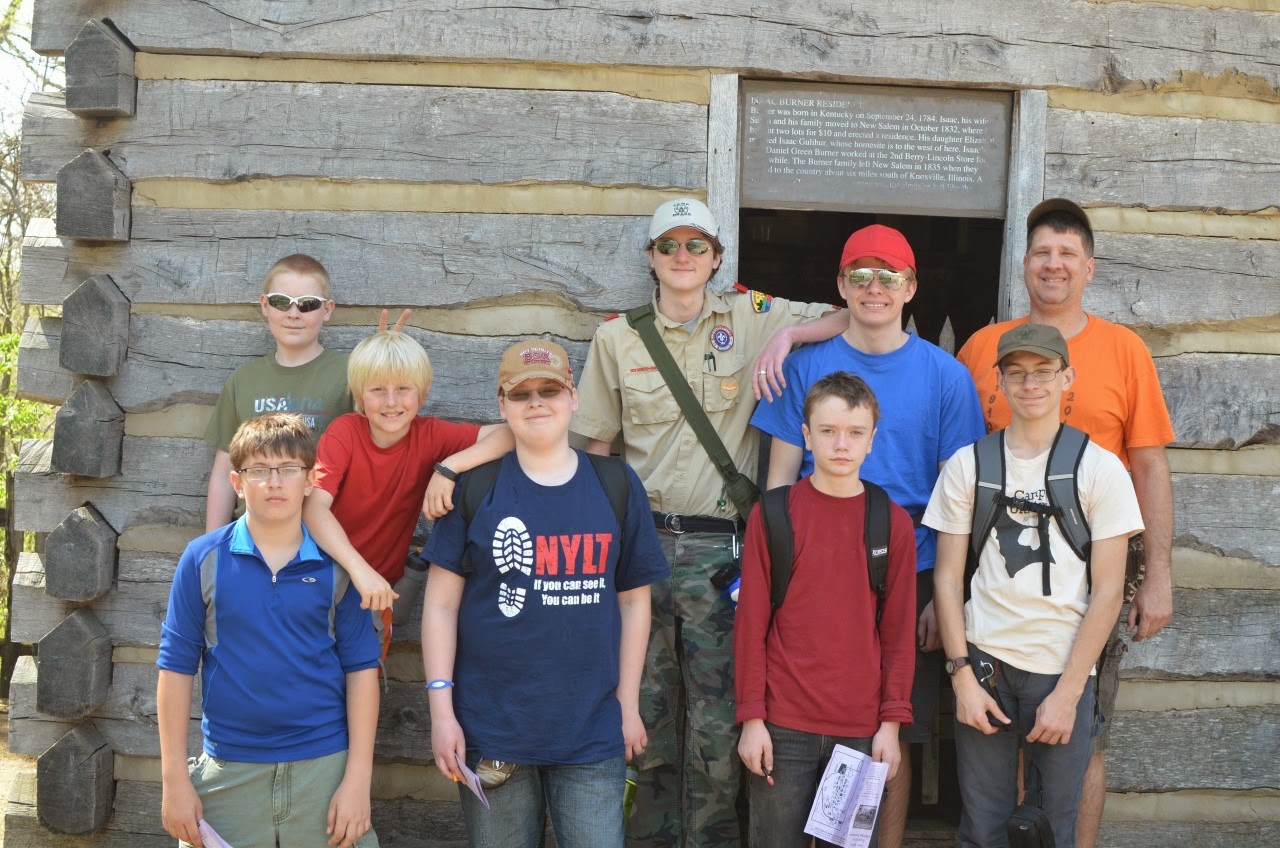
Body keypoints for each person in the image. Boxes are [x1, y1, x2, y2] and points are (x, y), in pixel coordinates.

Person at [572, 197, 851, 847]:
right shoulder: (618, 338)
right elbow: (596, 454)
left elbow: (846, 316)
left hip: (720, 548)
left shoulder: (751, 317)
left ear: (718, 258)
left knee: (717, 725)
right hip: (640, 551)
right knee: (648, 716)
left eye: (696, 246)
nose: (682, 257)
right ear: (651, 258)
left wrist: (789, 335)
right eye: (669, 246)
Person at [750, 223, 985, 846]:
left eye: (889, 276)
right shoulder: (804, 366)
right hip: (806, 572)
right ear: (840, 286)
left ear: (911, 286)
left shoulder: (946, 377)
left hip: (905, 573)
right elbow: (777, 482)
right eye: (860, 275)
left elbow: (959, 496)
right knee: (796, 722)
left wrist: (946, 593)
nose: (874, 288)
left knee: (894, 731)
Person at [955, 199, 1175, 848]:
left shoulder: (1124, 350)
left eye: (1067, 255)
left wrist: (1157, 574)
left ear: (1089, 267)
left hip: (1096, 580)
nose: (1054, 265)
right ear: (1023, 265)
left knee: (1083, 735)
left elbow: (1150, 468)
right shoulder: (982, 349)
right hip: (1001, 580)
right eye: (1042, 253)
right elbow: (960, 472)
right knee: (1000, 742)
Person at [421, 339, 669, 848]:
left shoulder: (615, 483)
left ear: (573, 398)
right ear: (502, 406)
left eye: (549, 390)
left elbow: (633, 601)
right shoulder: (477, 486)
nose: (536, 402)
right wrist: (441, 712)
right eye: (521, 393)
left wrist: (626, 702)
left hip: (592, 729)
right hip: (493, 732)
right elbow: (441, 606)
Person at [926, 323, 1143, 848]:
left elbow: (1108, 591)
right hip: (986, 665)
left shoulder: (1100, 469)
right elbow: (948, 576)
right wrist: (961, 679)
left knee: (1050, 830)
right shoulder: (969, 465)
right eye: (1017, 373)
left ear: (1067, 377)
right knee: (983, 827)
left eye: (1043, 372)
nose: (1031, 385)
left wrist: (1069, 693)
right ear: (998, 380)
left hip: (1060, 668)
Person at [158, 412, 381, 848]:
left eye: (288, 470)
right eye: (259, 471)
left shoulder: (337, 567)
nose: (274, 482)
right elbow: (174, 670)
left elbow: (362, 672)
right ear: (238, 483)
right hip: (229, 769)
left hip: (326, 766)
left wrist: (358, 780)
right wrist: (174, 782)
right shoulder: (203, 559)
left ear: (311, 479)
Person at [734, 373, 917, 847]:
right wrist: (752, 720)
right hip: (782, 727)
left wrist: (890, 726)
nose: (841, 444)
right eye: (829, 431)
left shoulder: (890, 523)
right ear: (806, 435)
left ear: (872, 439)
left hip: (858, 732)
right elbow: (751, 625)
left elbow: (897, 636)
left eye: (855, 433)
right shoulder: (773, 514)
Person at [303, 331, 515, 659]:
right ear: (359, 394)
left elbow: (511, 433)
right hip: (316, 584)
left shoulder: (430, 436)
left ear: (423, 391)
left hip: (375, 597)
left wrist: (448, 468)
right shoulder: (345, 432)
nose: (391, 402)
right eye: (378, 390)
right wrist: (360, 571)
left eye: (403, 389)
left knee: (361, 685)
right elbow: (315, 508)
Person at [203, 255, 352, 532]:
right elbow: (225, 473)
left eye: (308, 304)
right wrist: (211, 547)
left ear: (327, 310)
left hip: (323, 539)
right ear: (264, 305)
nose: (293, 313)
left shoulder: (350, 375)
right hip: (250, 536)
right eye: (281, 302)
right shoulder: (243, 380)